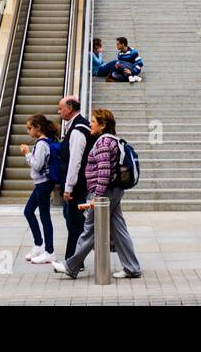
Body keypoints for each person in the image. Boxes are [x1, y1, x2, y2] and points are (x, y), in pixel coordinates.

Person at [54, 108, 142, 279]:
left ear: (102, 125)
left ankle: (71, 266)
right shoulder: (113, 140)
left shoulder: (102, 143)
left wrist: (97, 197)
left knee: (89, 228)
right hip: (114, 190)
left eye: (93, 121)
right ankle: (132, 267)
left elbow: (104, 172)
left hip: (104, 192)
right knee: (119, 228)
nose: (90, 124)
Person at [19, 114, 58, 265]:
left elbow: (38, 165)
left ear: (38, 128)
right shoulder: (43, 142)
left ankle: (49, 250)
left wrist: (27, 153)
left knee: (44, 216)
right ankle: (40, 244)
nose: (28, 131)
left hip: (43, 183)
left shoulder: (42, 144)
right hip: (41, 183)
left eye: (30, 128)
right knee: (29, 211)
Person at [56, 96, 92, 259]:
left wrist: (68, 187)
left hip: (76, 184)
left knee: (74, 220)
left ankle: (72, 259)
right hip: (77, 182)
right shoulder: (76, 126)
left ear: (69, 108)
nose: (58, 111)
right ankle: (76, 257)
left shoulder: (77, 129)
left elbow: (75, 161)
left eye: (60, 108)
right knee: (70, 216)